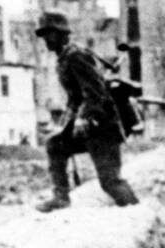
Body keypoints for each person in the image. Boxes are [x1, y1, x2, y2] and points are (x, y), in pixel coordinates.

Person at [35, 10, 138, 212]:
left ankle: (137, 213)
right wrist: (64, 124)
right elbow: (75, 98)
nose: (46, 39)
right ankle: (61, 197)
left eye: (50, 33)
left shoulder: (76, 56)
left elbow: (96, 92)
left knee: (110, 182)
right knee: (55, 144)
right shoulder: (64, 58)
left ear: (62, 33)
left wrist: (83, 117)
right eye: (44, 35)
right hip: (86, 126)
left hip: (102, 127)